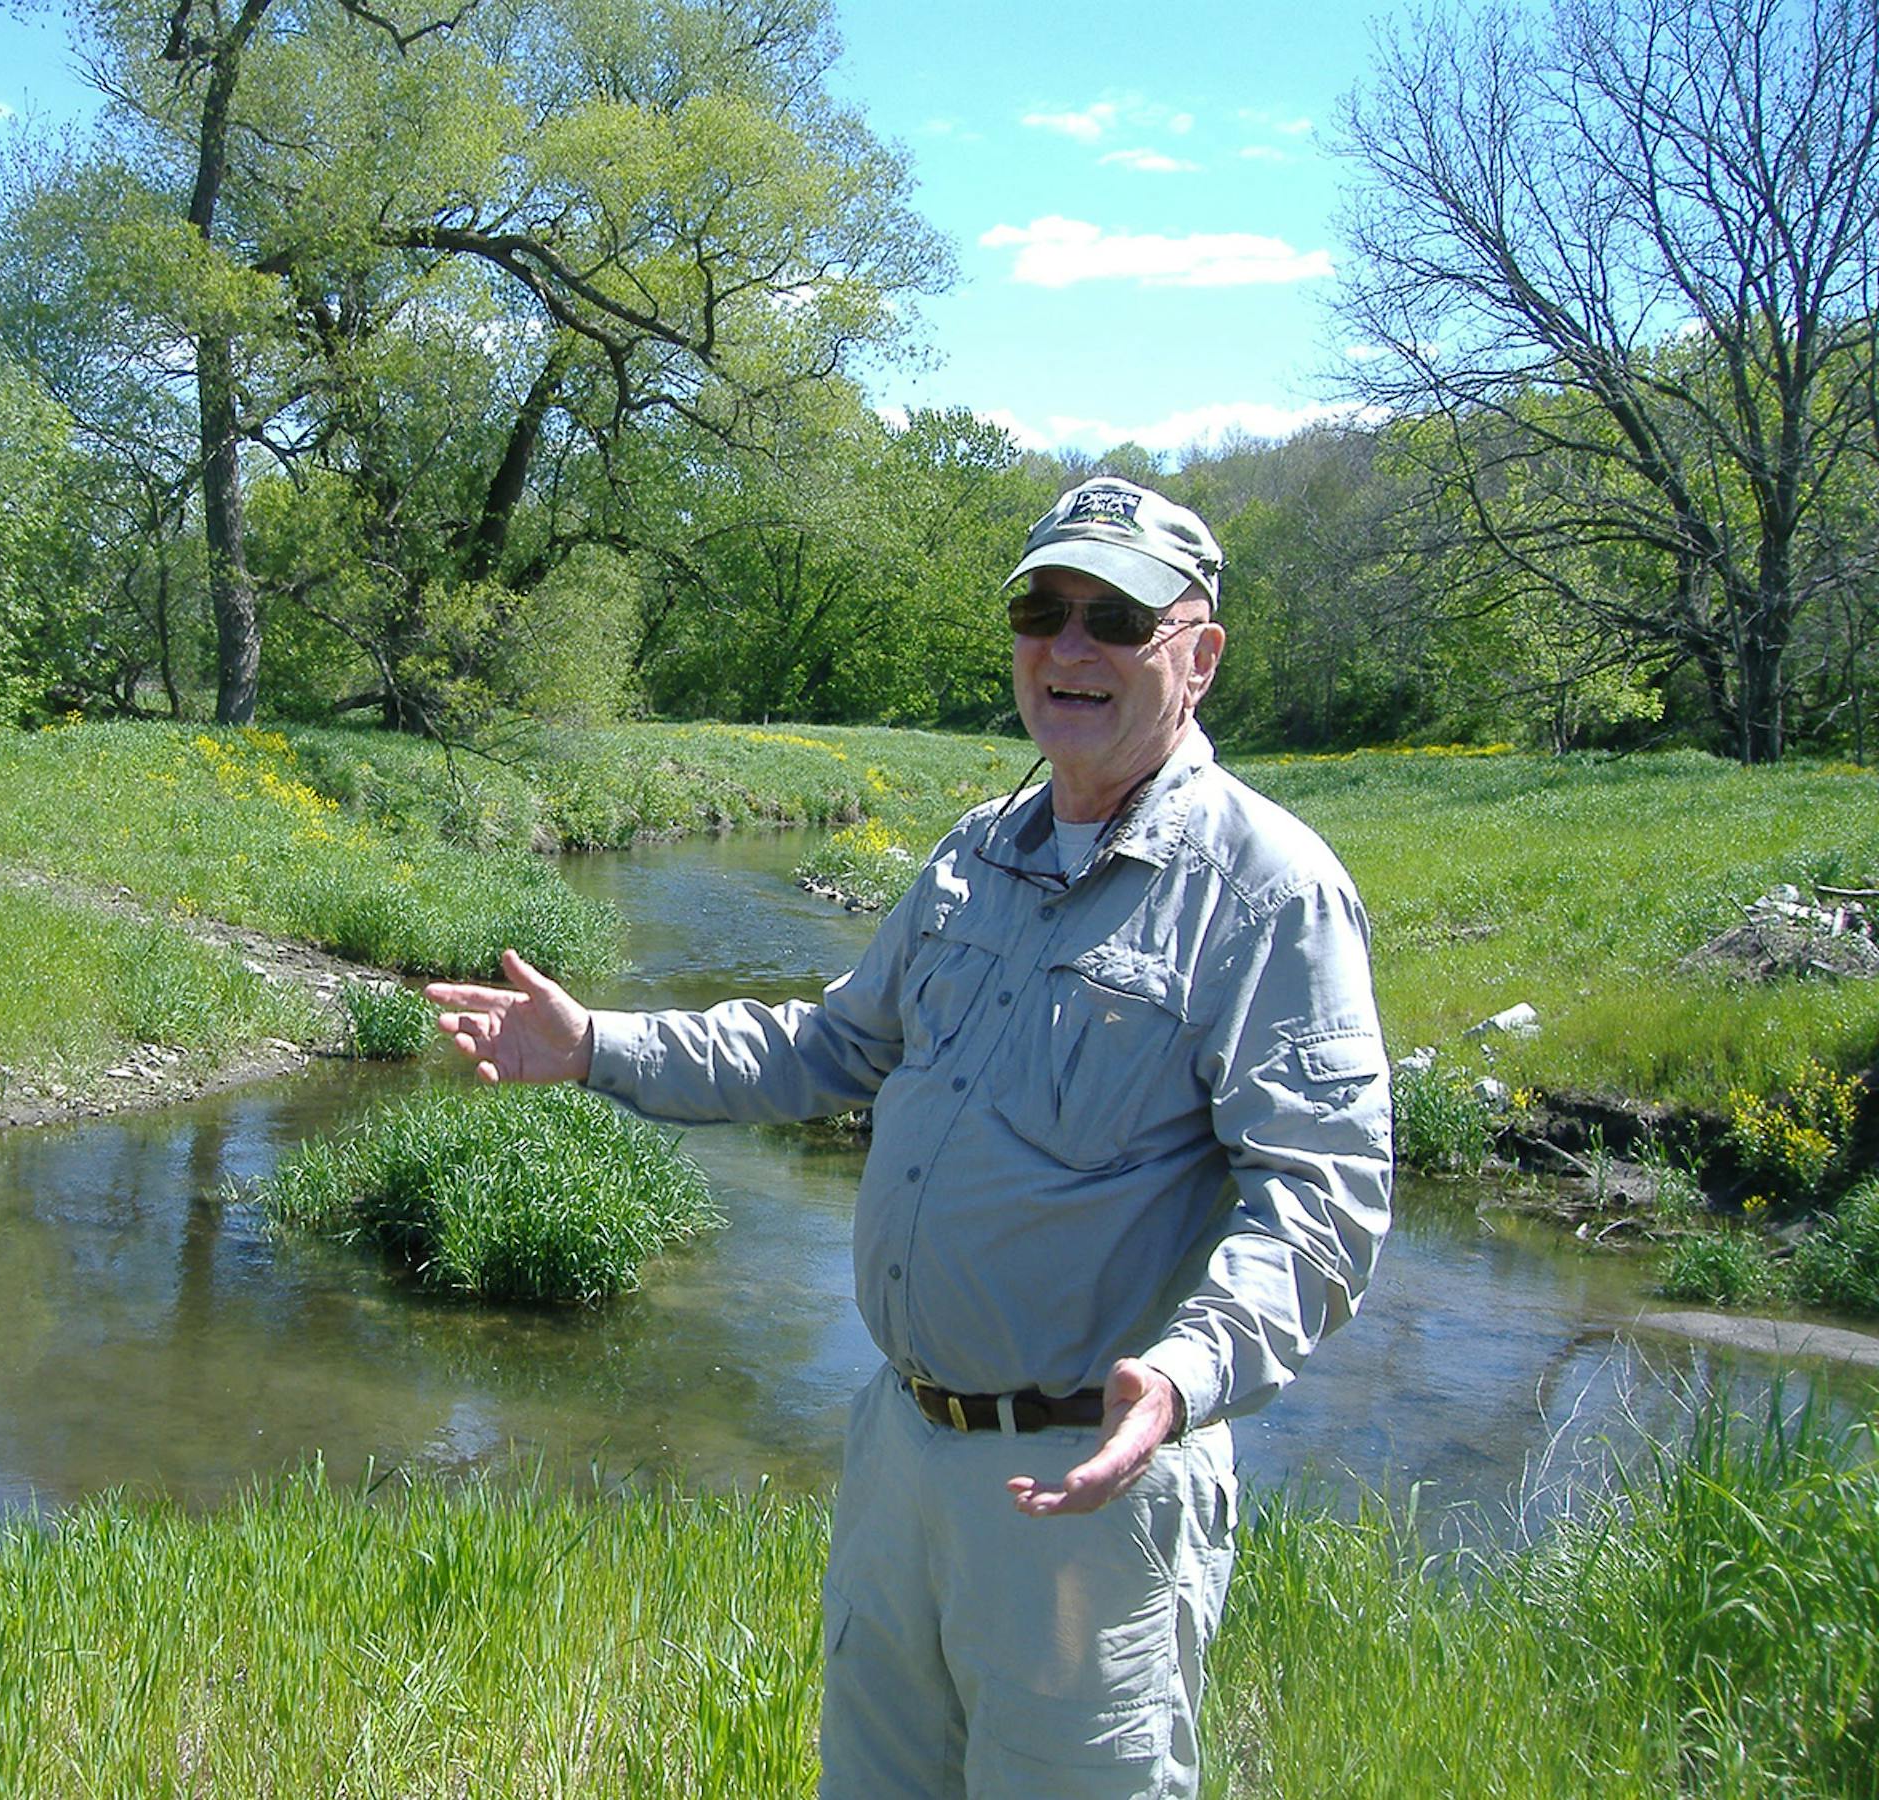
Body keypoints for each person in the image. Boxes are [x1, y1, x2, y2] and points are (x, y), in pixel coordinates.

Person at [426, 476, 1393, 1799]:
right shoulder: (972, 854)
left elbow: (1321, 1202)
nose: (1066, 647)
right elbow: (827, 1050)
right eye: (1039, 609)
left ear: (1199, 654)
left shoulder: (1270, 891)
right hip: (902, 1449)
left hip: (1089, 1488)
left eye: (1115, 617)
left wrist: (1182, 1377)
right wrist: (596, 1045)